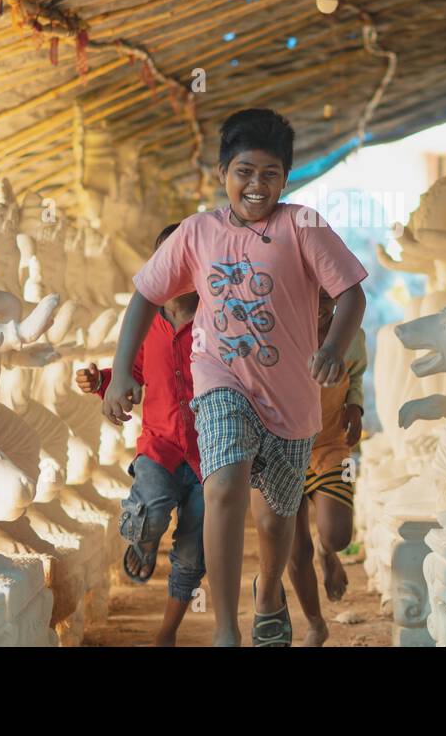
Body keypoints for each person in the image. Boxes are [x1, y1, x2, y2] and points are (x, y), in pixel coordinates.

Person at [104, 108, 367, 647]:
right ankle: (226, 630)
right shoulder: (198, 232)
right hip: (220, 380)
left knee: (275, 521)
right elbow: (146, 295)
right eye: (245, 171)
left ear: (286, 179)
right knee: (223, 486)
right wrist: (120, 372)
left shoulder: (303, 225)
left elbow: (350, 294)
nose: (256, 185)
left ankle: (268, 591)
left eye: (270, 174)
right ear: (223, 171)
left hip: (292, 398)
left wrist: (333, 349)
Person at [77, 222, 204, 647]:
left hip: (210, 454)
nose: (176, 270)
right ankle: (144, 543)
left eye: (186, 259)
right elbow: (132, 372)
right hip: (160, 445)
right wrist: (102, 381)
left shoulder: (216, 317)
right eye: (166, 260)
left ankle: (167, 632)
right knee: (150, 510)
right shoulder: (145, 322)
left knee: (193, 550)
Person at [286, 289, 367, 646]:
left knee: (338, 535)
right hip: (283, 447)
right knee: (294, 549)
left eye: (327, 297)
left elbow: (357, 376)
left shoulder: (353, 335)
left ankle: (327, 551)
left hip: (333, 444)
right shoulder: (283, 328)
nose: (319, 306)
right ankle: (316, 624)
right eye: (311, 295)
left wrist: (355, 406)